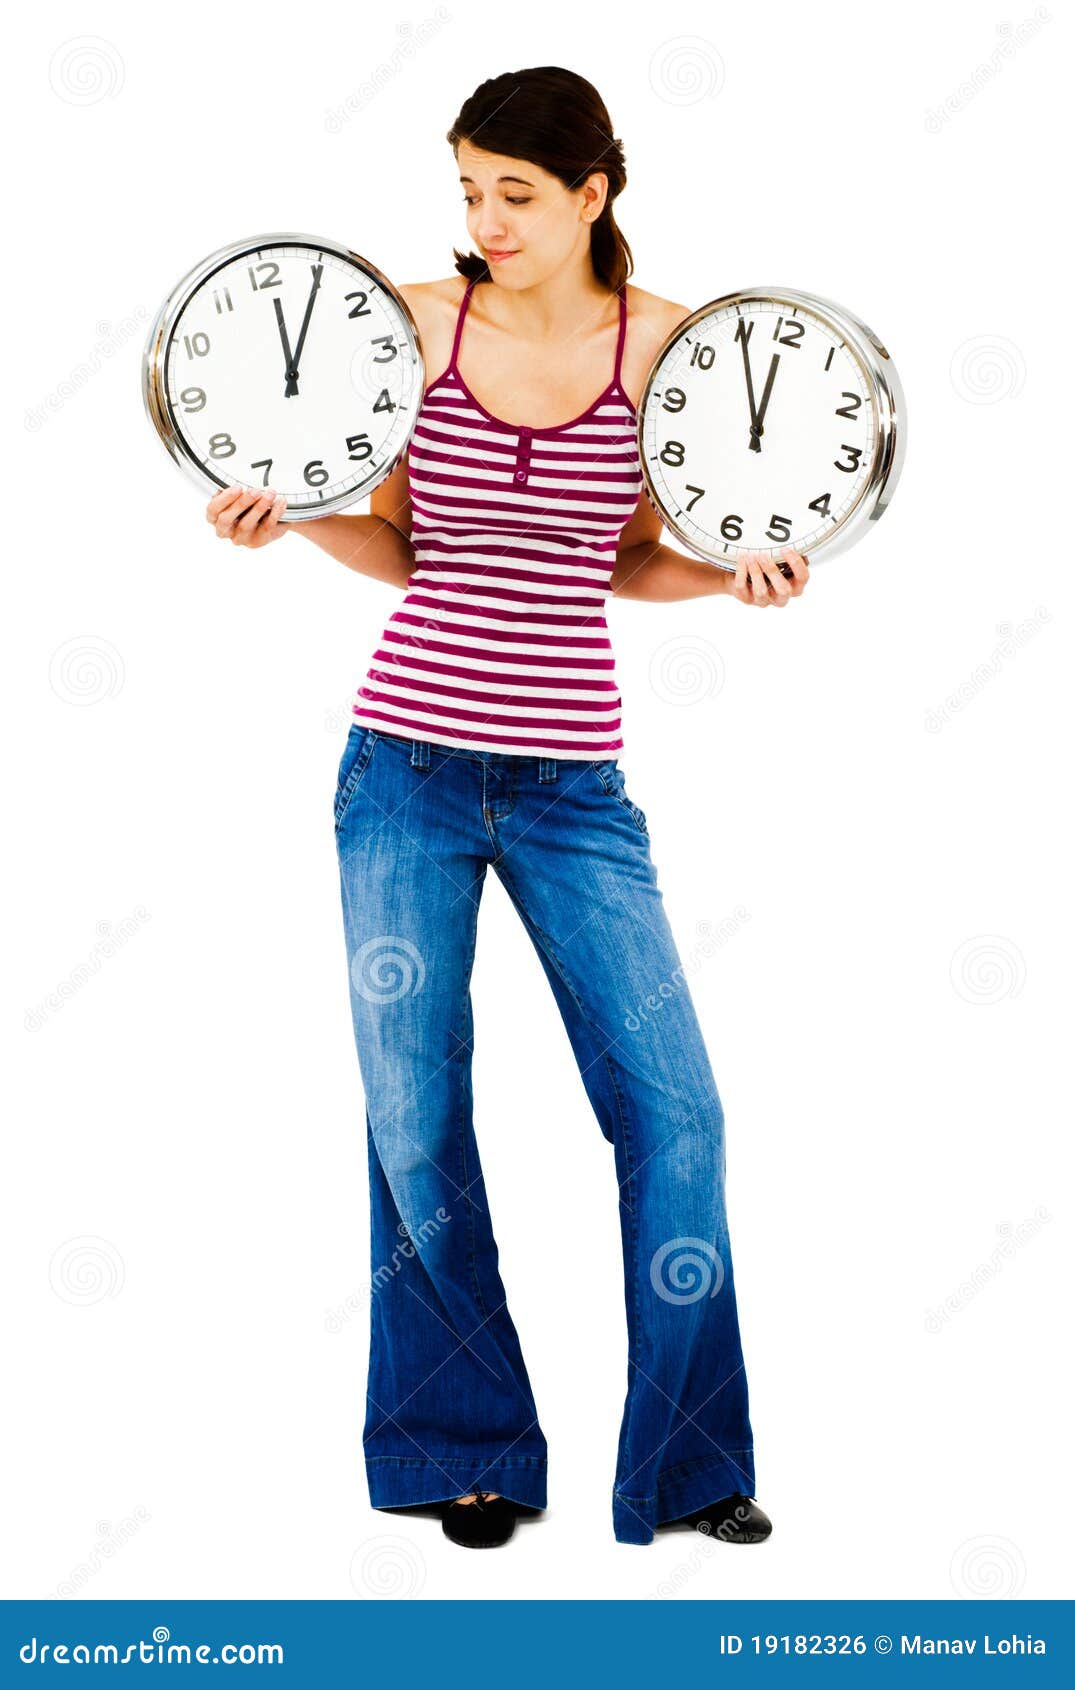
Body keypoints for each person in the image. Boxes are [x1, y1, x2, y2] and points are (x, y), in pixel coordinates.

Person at [205, 66, 810, 1550]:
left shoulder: (668, 346)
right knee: (415, 1116)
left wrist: (735, 573)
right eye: (468, 191)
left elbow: (630, 561)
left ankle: (688, 1464)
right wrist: (294, 521)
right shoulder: (419, 322)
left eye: (515, 195)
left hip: (572, 791)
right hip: (402, 770)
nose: (486, 221)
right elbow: (406, 544)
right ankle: (462, 1448)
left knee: (678, 1112)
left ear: (594, 192)